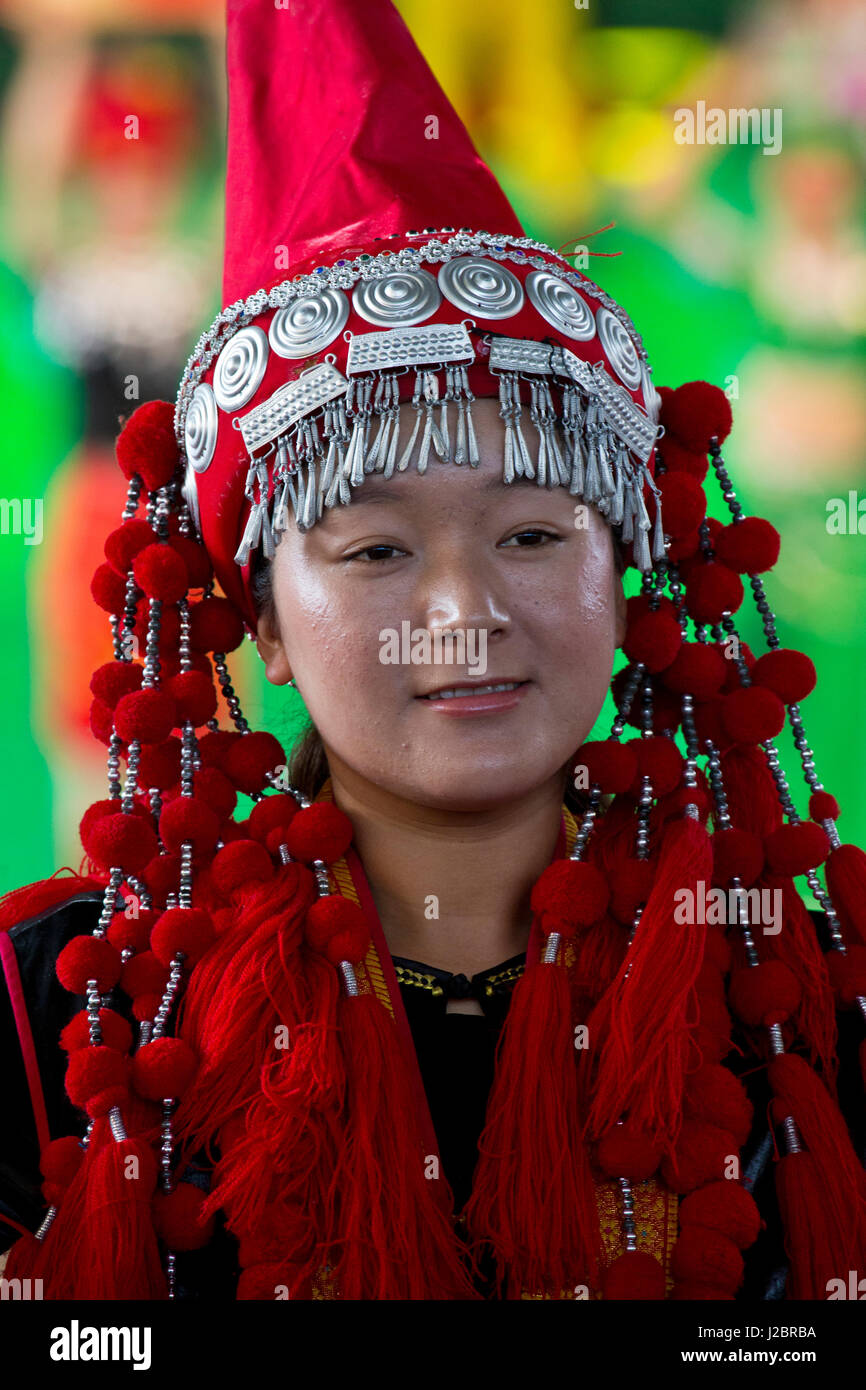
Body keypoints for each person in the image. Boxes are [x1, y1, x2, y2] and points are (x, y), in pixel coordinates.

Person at [2, 0, 866, 1302]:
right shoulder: (62, 1026)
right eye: (373, 550)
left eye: (528, 533)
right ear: (266, 621)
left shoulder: (796, 997)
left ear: (624, 571)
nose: (460, 612)